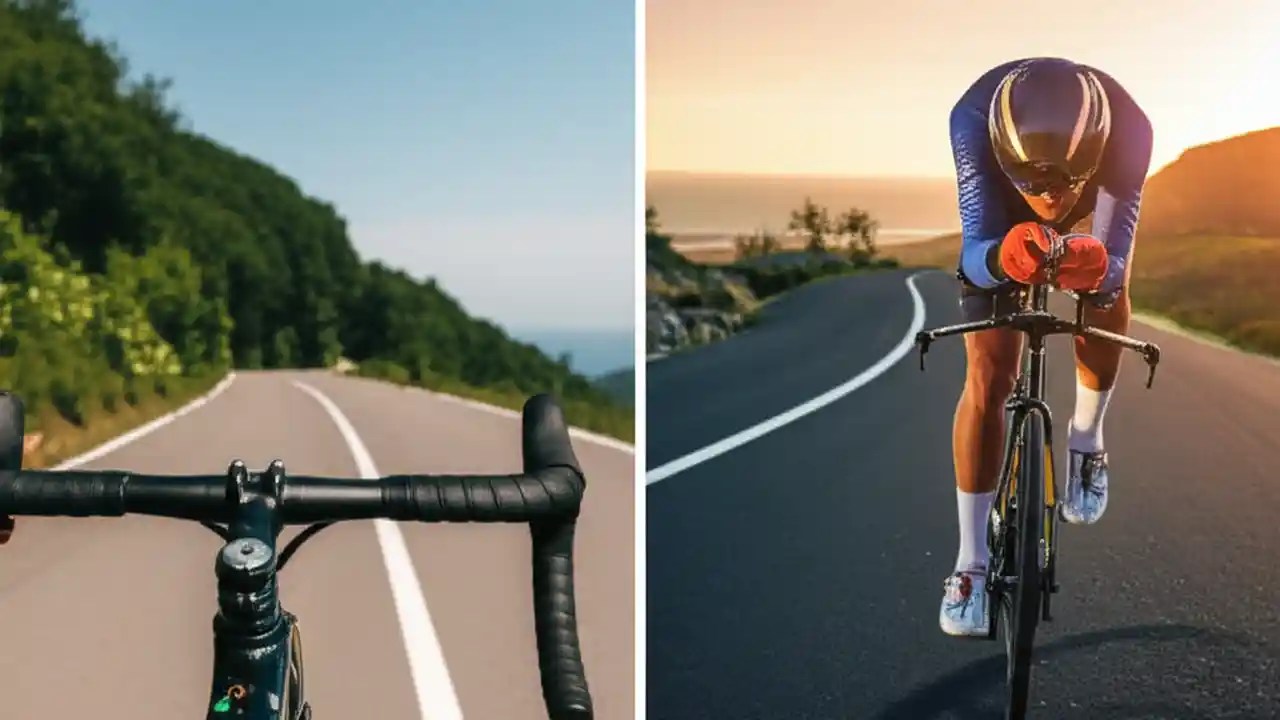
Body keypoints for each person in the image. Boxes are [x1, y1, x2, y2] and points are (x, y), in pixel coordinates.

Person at [938, 57, 1153, 637]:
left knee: (1107, 295)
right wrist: (1002, 256)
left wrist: (1096, 266)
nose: (1051, 199)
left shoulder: (1129, 132)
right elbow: (975, 252)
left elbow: (1111, 262)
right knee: (988, 378)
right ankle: (970, 565)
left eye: (1064, 185)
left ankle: (1087, 438)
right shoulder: (972, 123)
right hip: (1001, 217)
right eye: (1037, 184)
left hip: (1098, 207)